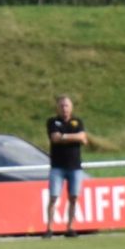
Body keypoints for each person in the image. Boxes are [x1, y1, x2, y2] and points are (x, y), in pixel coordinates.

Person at [45, 94, 87, 238]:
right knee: (53, 197)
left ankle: (70, 227)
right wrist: (73, 137)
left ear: (71, 107)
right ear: (57, 107)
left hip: (74, 166)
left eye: (66, 105)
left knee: (74, 197)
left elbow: (83, 138)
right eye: (62, 106)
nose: (64, 108)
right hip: (57, 166)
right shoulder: (52, 122)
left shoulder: (77, 122)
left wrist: (64, 137)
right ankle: (49, 228)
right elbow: (54, 138)